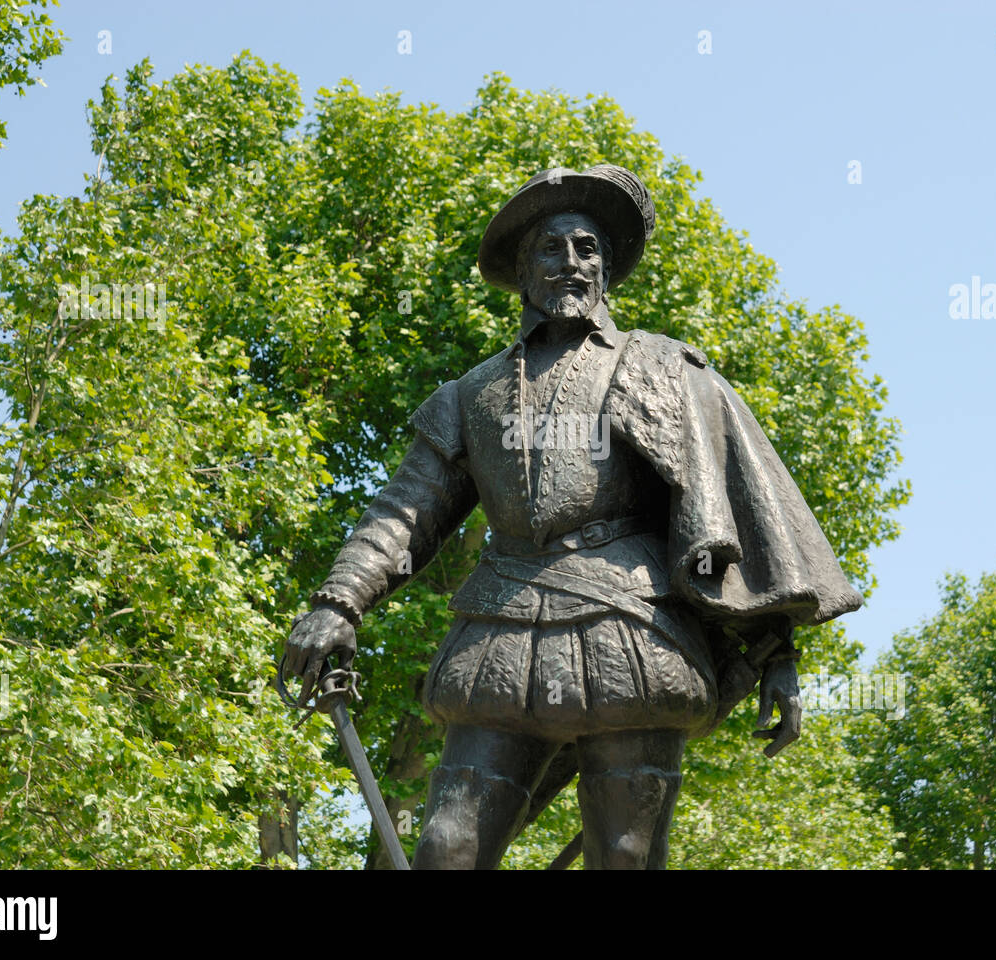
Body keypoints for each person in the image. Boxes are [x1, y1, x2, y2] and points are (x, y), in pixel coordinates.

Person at [283, 165, 862, 869]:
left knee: (625, 853)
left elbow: (731, 512)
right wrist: (339, 603)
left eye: (587, 248)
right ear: (524, 270)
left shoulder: (662, 367)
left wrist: (776, 652)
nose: (571, 263)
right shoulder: (473, 394)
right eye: (552, 249)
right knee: (446, 847)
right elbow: (405, 513)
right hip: (499, 635)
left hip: (629, 631)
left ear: (607, 269)